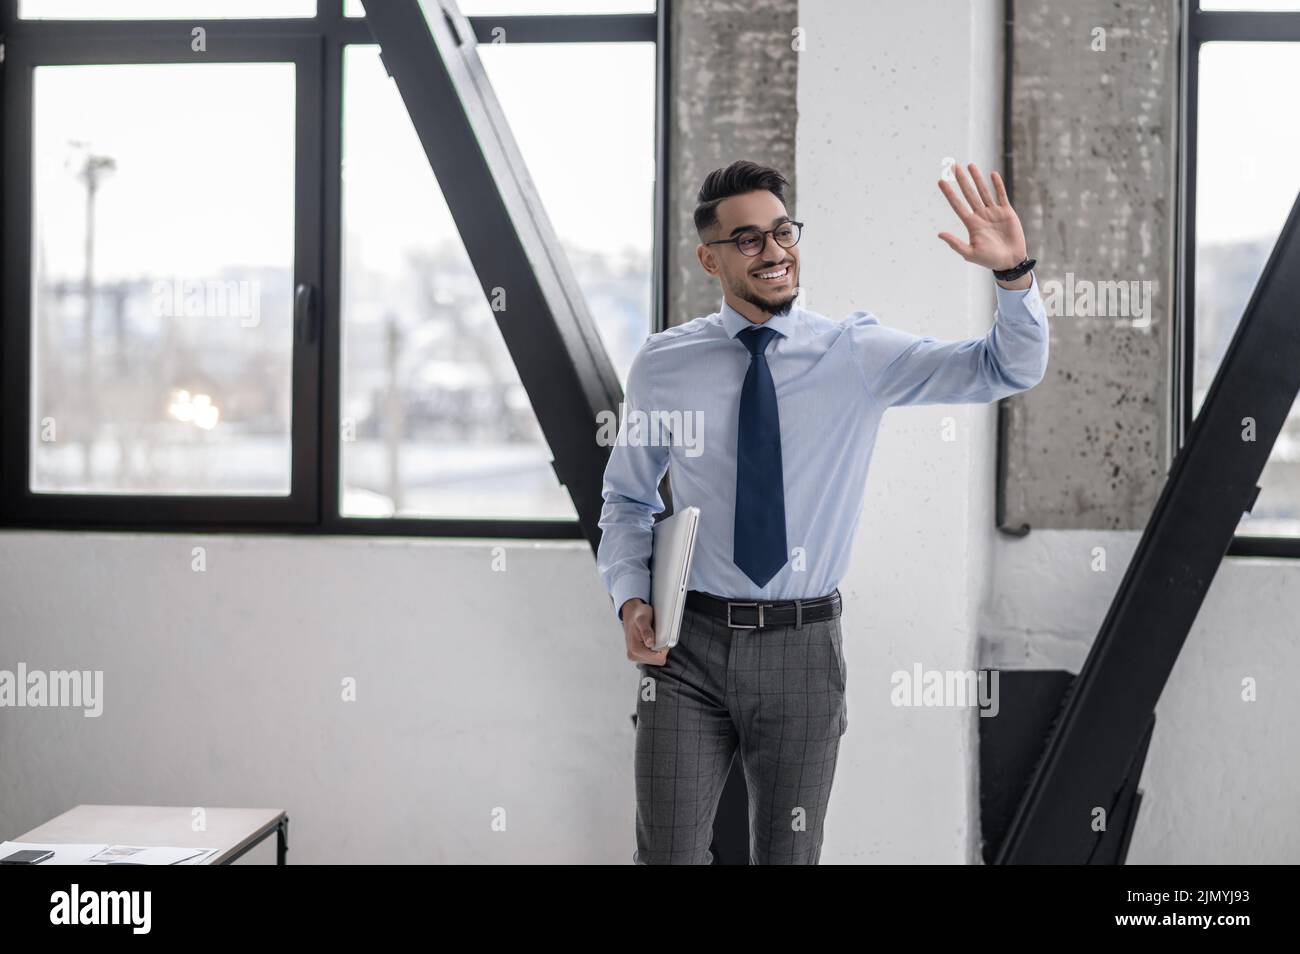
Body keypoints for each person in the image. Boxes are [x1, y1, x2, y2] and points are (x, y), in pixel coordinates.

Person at [595, 159, 1048, 864]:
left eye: (782, 231)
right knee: (668, 857)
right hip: (690, 648)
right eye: (748, 239)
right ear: (708, 258)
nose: (774, 251)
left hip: (801, 651)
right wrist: (629, 598)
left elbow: (1005, 368)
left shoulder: (854, 353)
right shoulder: (666, 364)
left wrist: (1014, 275)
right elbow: (626, 497)